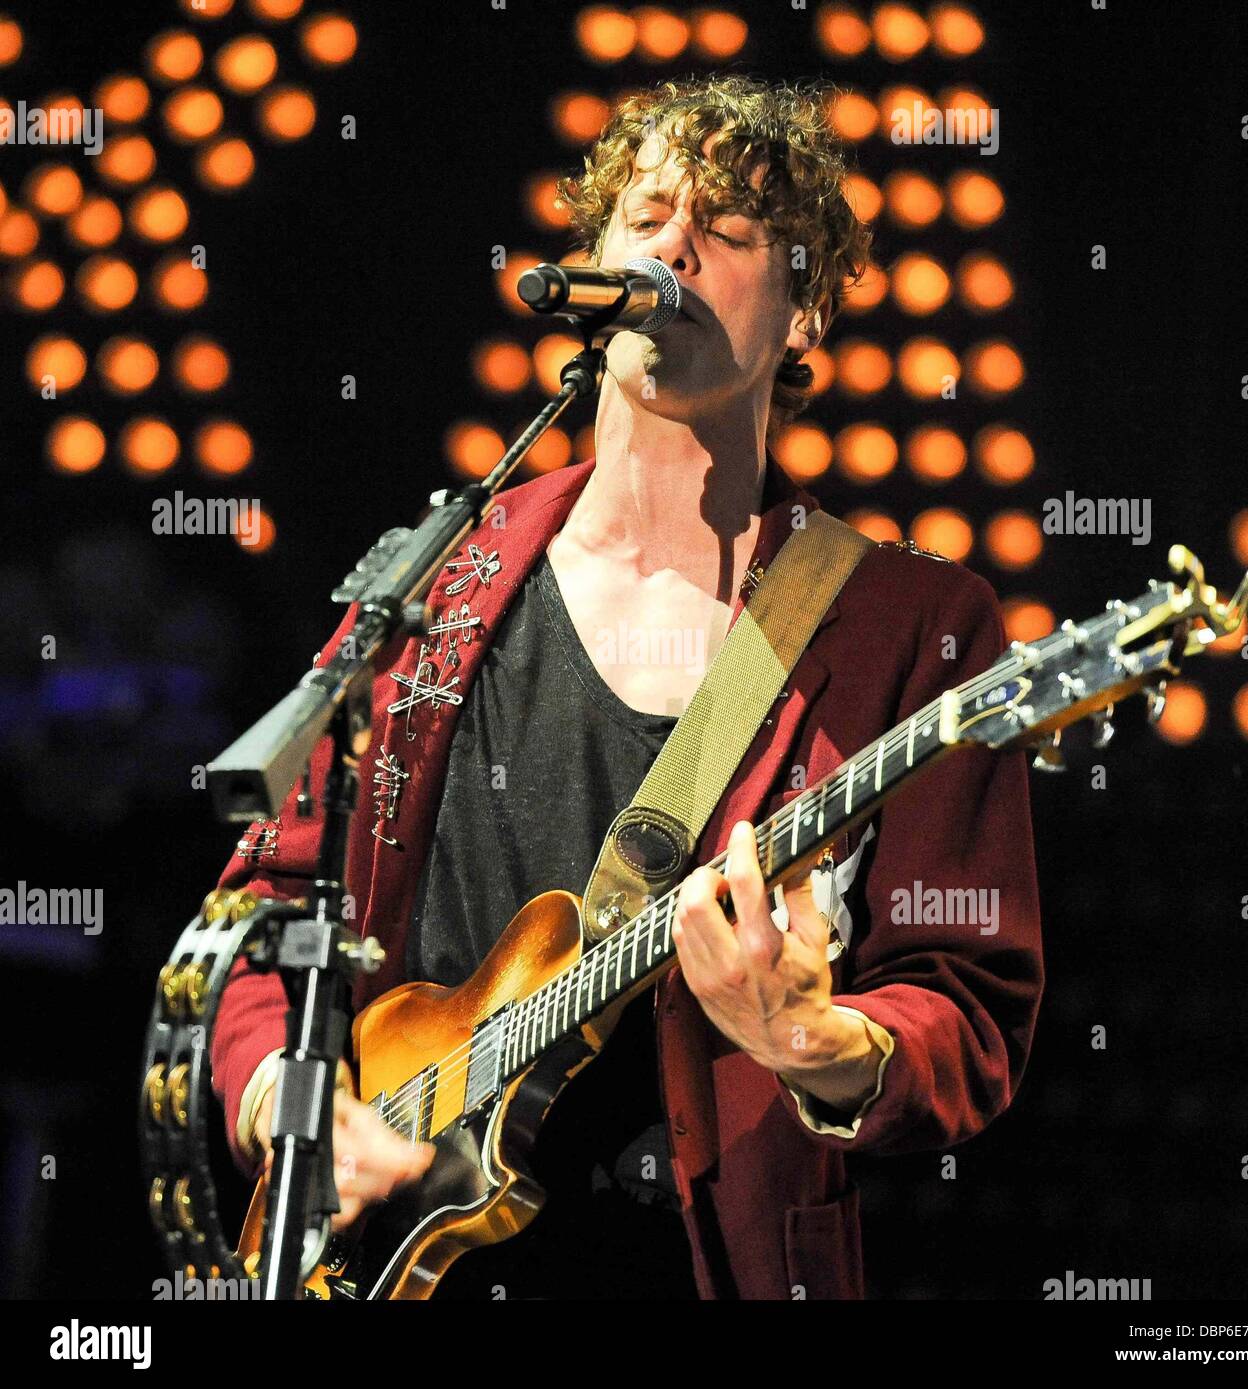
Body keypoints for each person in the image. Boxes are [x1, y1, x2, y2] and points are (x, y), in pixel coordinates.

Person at [209, 74, 1043, 1300]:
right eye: (647, 214)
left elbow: (967, 1007)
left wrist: (812, 1036)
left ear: (804, 313)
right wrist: (286, 1100)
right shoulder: (440, 578)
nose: (673, 248)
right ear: (592, 275)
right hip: (384, 1262)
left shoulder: (910, 626)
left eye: (732, 231)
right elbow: (265, 910)